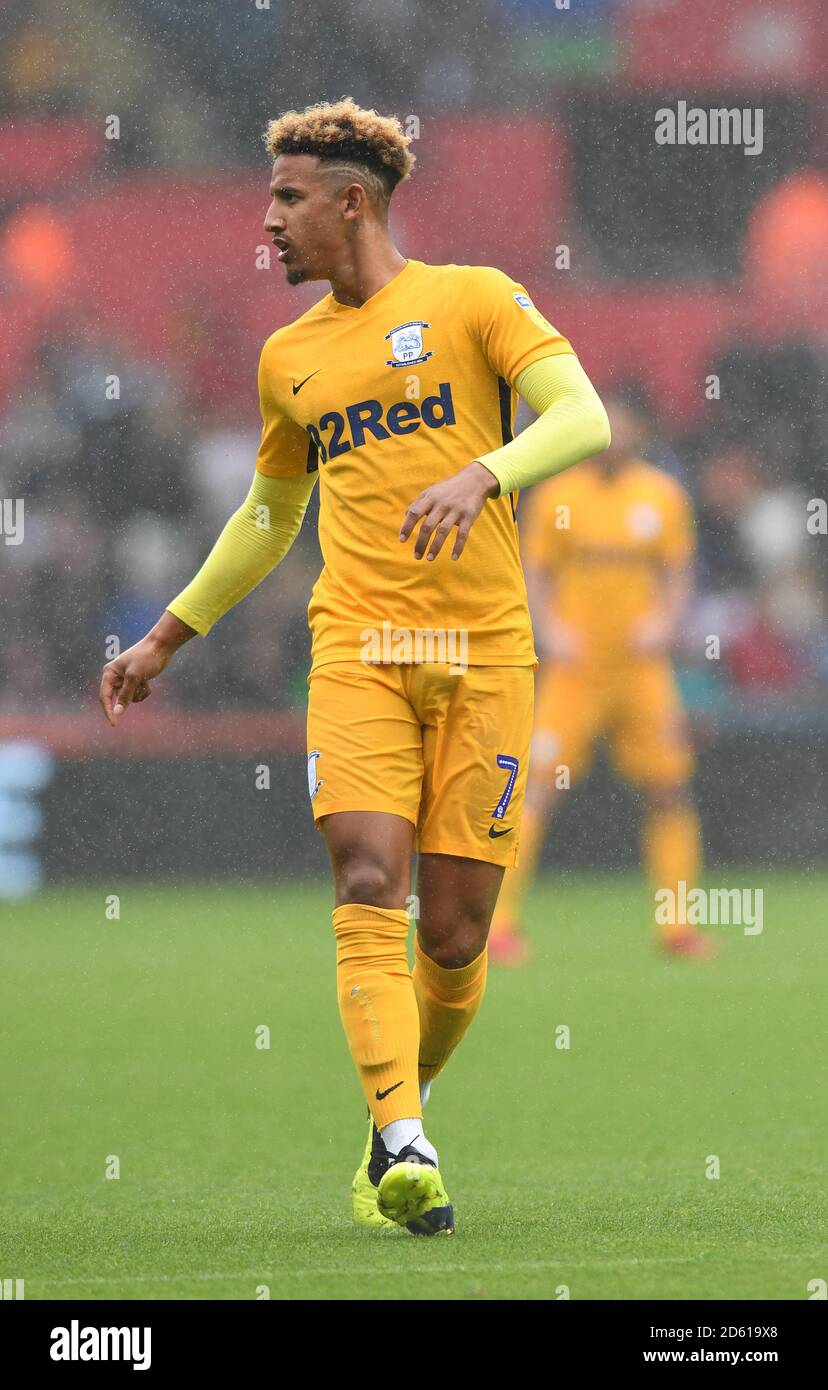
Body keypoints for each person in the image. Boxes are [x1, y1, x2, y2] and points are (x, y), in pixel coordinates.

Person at [98, 98, 610, 1235]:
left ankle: (392, 1113)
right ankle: (405, 1139)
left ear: (351, 201)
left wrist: (484, 472)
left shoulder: (474, 298)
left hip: (485, 656)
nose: (267, 220)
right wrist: (167, 635)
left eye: (287, 198)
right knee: (372, 879)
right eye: (268, 197)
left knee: (458, 932)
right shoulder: (290, 356)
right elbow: (270, 516)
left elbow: (583, 417)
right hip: (362, 650)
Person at [490, 394, 710, 966]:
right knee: (534, 789)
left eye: (624, 428)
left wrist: (664, 622)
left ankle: (678, 927)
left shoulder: (661, 495)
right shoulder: (558, 497)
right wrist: (552, 629)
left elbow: (679, 572)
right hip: (576, 670)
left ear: (640, 435)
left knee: (668, 788)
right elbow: (533, 571)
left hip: (641, 671)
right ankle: (501, 924)